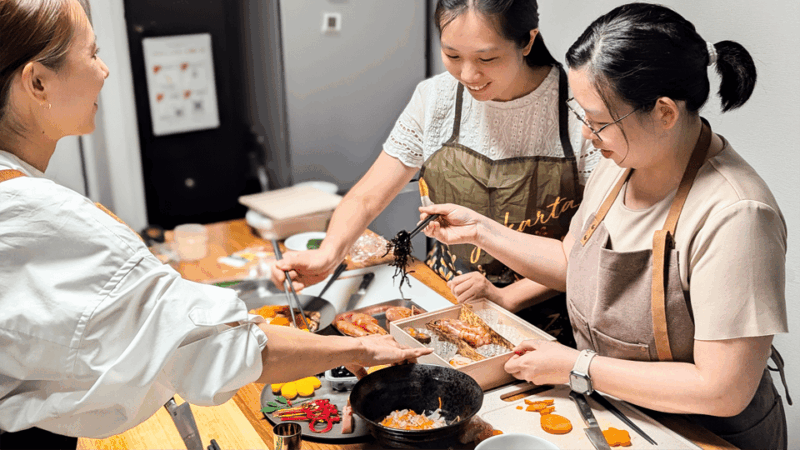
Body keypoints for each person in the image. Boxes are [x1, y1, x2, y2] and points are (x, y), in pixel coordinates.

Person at [0, 1, 430, 448]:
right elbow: (220, 346)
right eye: (92, 53)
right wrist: (364, 349)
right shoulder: (45, 217)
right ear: (37, 81)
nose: (105, 70)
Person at [419, 3, 790, 448]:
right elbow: (572, 260)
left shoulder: (737, 213)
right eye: (584, 118)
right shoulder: (621, 165)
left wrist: (578, 366)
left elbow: (722, 389)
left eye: (599, 123)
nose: (589, 137)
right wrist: (480, 230)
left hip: (703, 435)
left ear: (665, 112)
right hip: (623, 411)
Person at [273, 0, 600, 347]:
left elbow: (585, 255)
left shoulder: (580, 111)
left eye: (486, 59)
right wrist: (328, 253)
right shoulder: (437, 99)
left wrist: (508, 297)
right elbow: (368, 195)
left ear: (527, 41)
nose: (468, 75)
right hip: (444, 301)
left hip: (544, 325)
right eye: (452, 55)